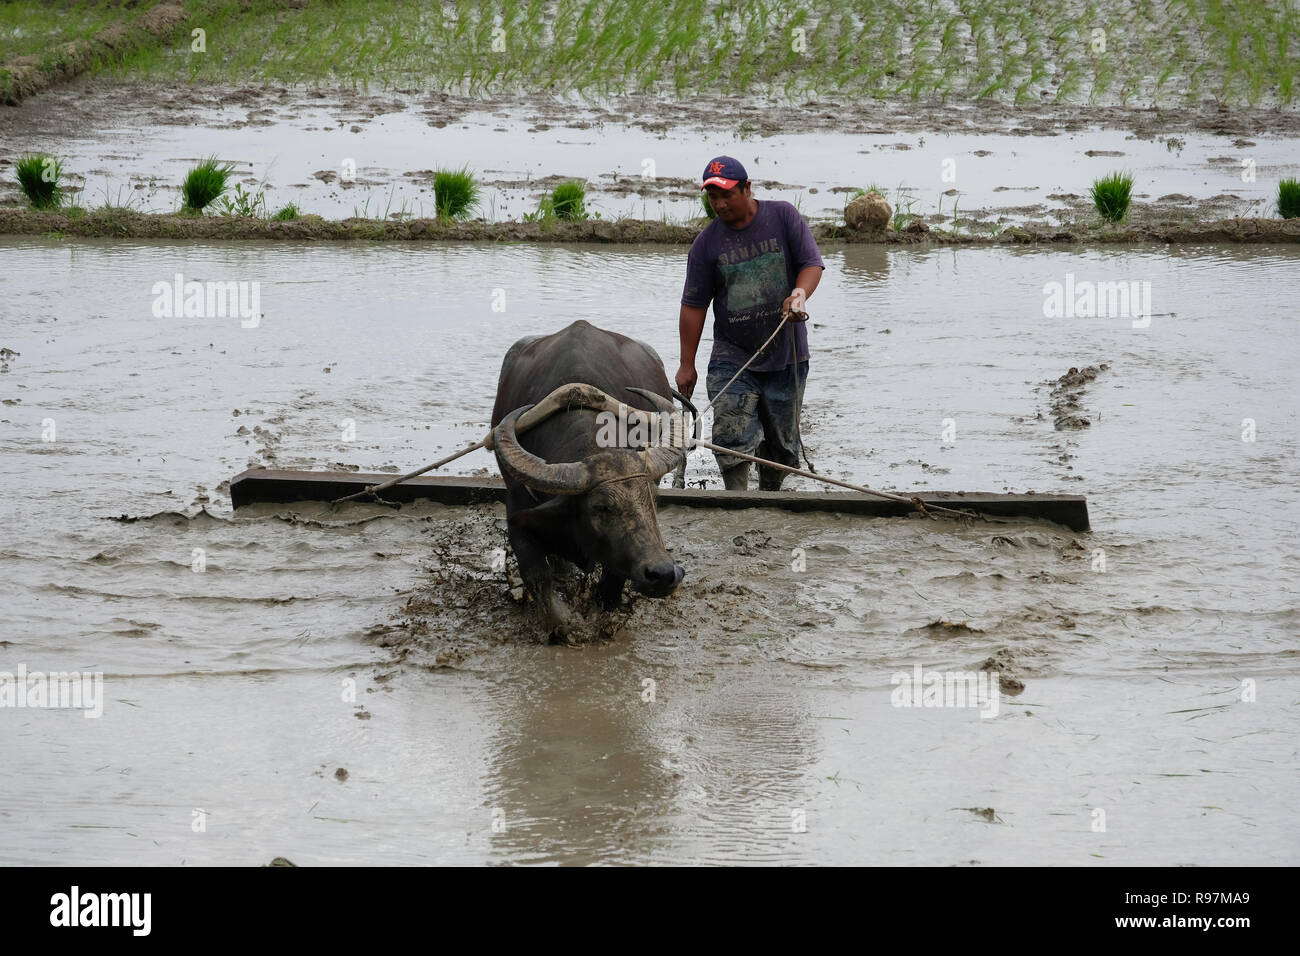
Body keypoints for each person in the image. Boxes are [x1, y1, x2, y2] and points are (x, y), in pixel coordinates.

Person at [676, 156, 825, 491]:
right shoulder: (706, 245)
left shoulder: (783, 217)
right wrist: (687, 364)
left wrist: (800, 293)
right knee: (731, 433)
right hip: (733, 356)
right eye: (713, 196)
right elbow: (693, 305)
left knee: (781, 446)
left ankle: (771, 496)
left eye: (727, 194)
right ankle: (736, 502)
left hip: (786, 354)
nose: (719, 203)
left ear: (747, 188)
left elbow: (811, 264)